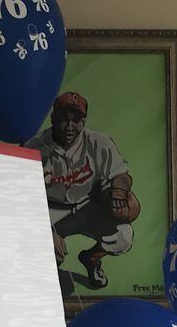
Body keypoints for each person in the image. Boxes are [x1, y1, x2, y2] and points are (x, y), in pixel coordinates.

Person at [25, 91, 140, 294]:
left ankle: (91, 259)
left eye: (76, 120)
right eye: (64, 119)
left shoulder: (99, 142)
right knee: (48, 252)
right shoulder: (35, 147)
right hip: (51, 211)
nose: (70, 126)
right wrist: (42, 228)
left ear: (84, 121)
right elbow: (20, 196)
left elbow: (121, 175)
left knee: (124, 236)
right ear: (53, 118)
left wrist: (119, 192)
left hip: (87, 206)